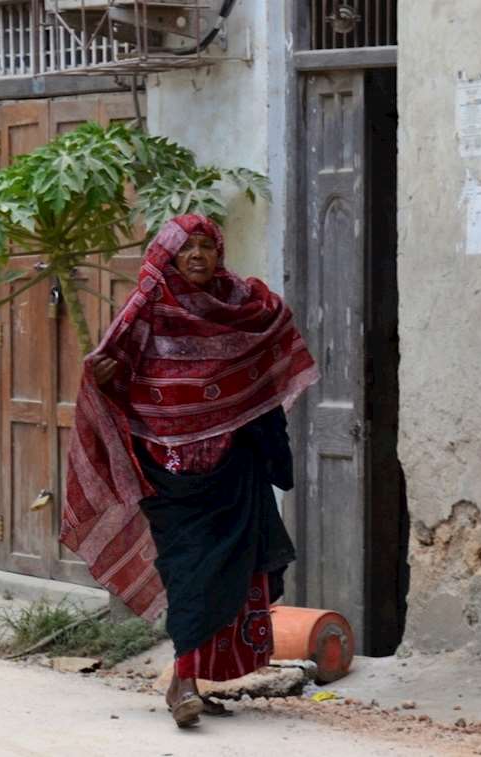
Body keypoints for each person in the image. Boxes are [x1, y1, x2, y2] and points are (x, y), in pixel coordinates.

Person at [60, 214, 319, 728]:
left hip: (234, 468)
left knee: (239, 573)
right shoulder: (145, 313)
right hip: (170, 473)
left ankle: (197, 681)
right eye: (187, 248)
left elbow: (274, 339)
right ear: (170, 256)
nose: (198, 256)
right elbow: (111, 377)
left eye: (206, 246)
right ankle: (181, 683)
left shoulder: (240, 306)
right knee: (190, 576)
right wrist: (101, 379)